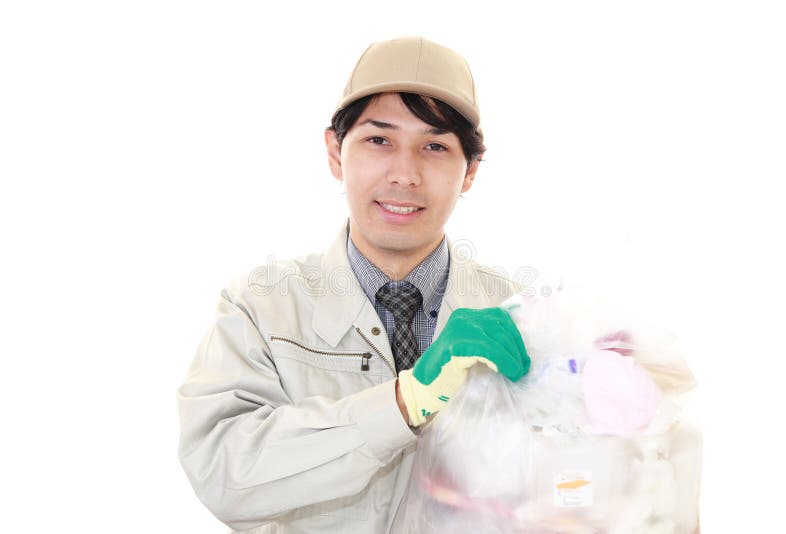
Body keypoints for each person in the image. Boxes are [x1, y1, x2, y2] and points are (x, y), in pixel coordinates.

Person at [177, 36, 531, 534]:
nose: (404, 174)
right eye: (378, 140)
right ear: (335, 153)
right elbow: (222, 472)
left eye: (434, 146)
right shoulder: (260, 308)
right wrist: (404, 404)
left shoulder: (520, 316)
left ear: (469, 171)